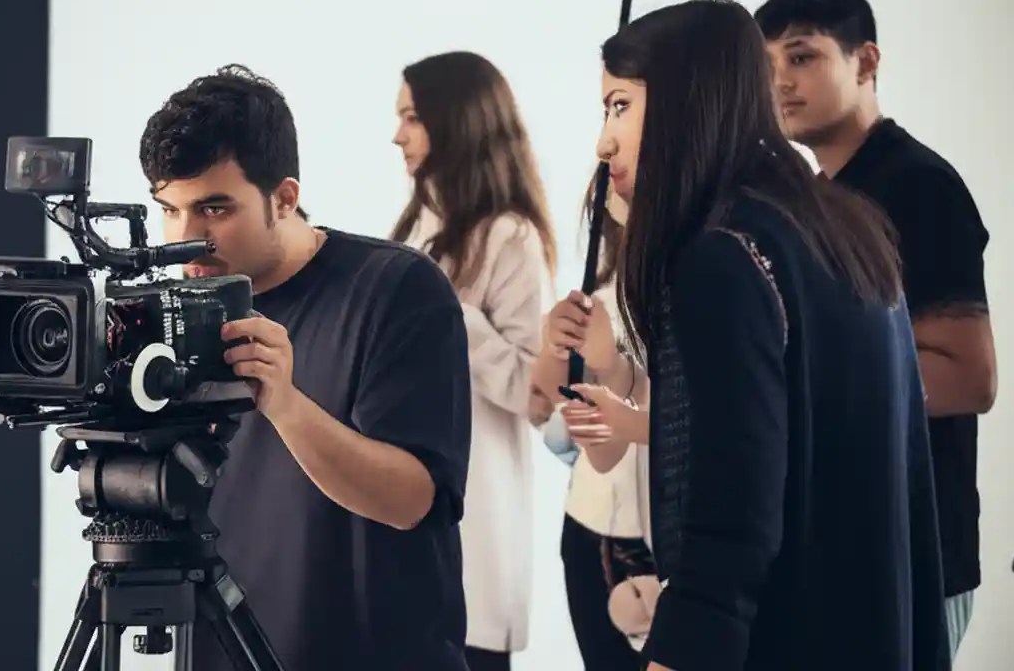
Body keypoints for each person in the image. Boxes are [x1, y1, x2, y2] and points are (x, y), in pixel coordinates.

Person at [562, 0, 951, 670]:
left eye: (620, 106)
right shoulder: (839, 231)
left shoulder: (720, 257)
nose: (604, 142)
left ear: (687, 103)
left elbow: (729, 526)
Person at [139, 63, 472, 671]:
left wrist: (285, 404)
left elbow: (412, 500)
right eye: (170, 209)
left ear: (285, 198)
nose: (185, 239)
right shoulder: (176, 310)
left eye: (214, 209)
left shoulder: (397, 289)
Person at [756, 0, 997, 658]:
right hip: (843, 549)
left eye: (801, 57)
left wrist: (799, 386)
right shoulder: (820, 195)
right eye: (767, 65)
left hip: (914, 556)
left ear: (865, 62)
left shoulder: (918, 184)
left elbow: (970, 378)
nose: (780, 82)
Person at [388, 50, 557, 671]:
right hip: (407, 510)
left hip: (478, 522)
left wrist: (441, 309)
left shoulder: (510, 236)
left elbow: (535, 392)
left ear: (457, 121)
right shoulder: (419, 229)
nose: (397, 135)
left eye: (412, 117)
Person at [528, 178, 656, 669]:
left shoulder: (695, 290)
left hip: (659, 532)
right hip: (592, 525)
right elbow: (548, 401)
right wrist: (555, 346)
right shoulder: (601, 296)